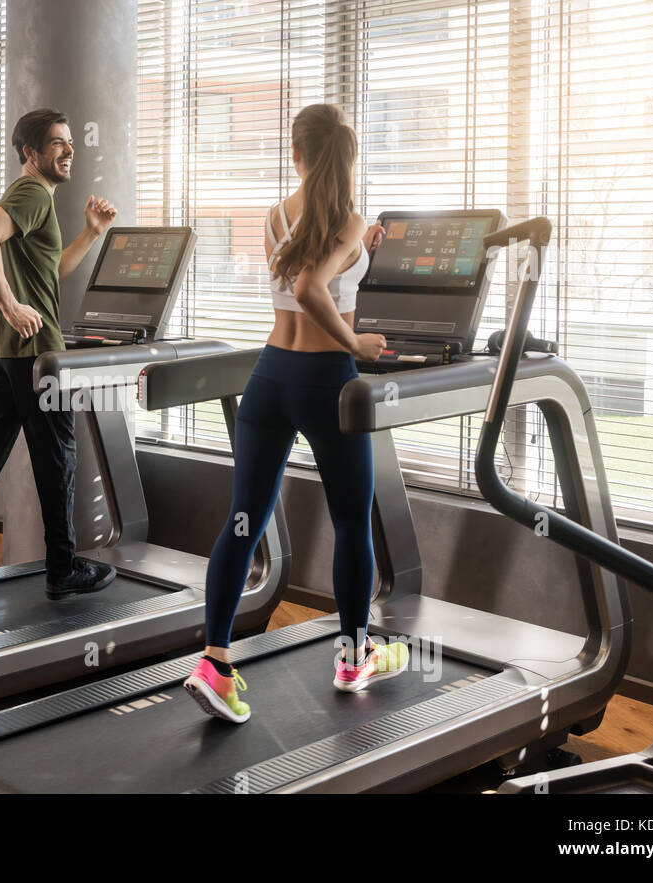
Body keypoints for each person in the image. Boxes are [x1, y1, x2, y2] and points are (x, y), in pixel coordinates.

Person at [183, 104, 408, 724]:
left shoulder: (278, 214)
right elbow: (314, 288)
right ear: (349, 158)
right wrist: (355, 344)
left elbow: (308, 270)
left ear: (297, 155)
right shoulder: (348, 219)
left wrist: (359, 252)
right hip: (325, 382)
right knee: (351, 521)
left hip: (270, 377)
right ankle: (353, 657)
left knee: (242, 519)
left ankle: (214, 662)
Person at [0, 108, 119, 610]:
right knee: (58, 457)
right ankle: (63, 568)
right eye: (57, 143)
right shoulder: (31, 192)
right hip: (34, 354)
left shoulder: (36, 202)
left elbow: (49, 273)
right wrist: (11, 305)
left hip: (2, 351)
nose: (69, 149)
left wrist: (91, 232)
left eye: (71, 141)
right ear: (31, 154)